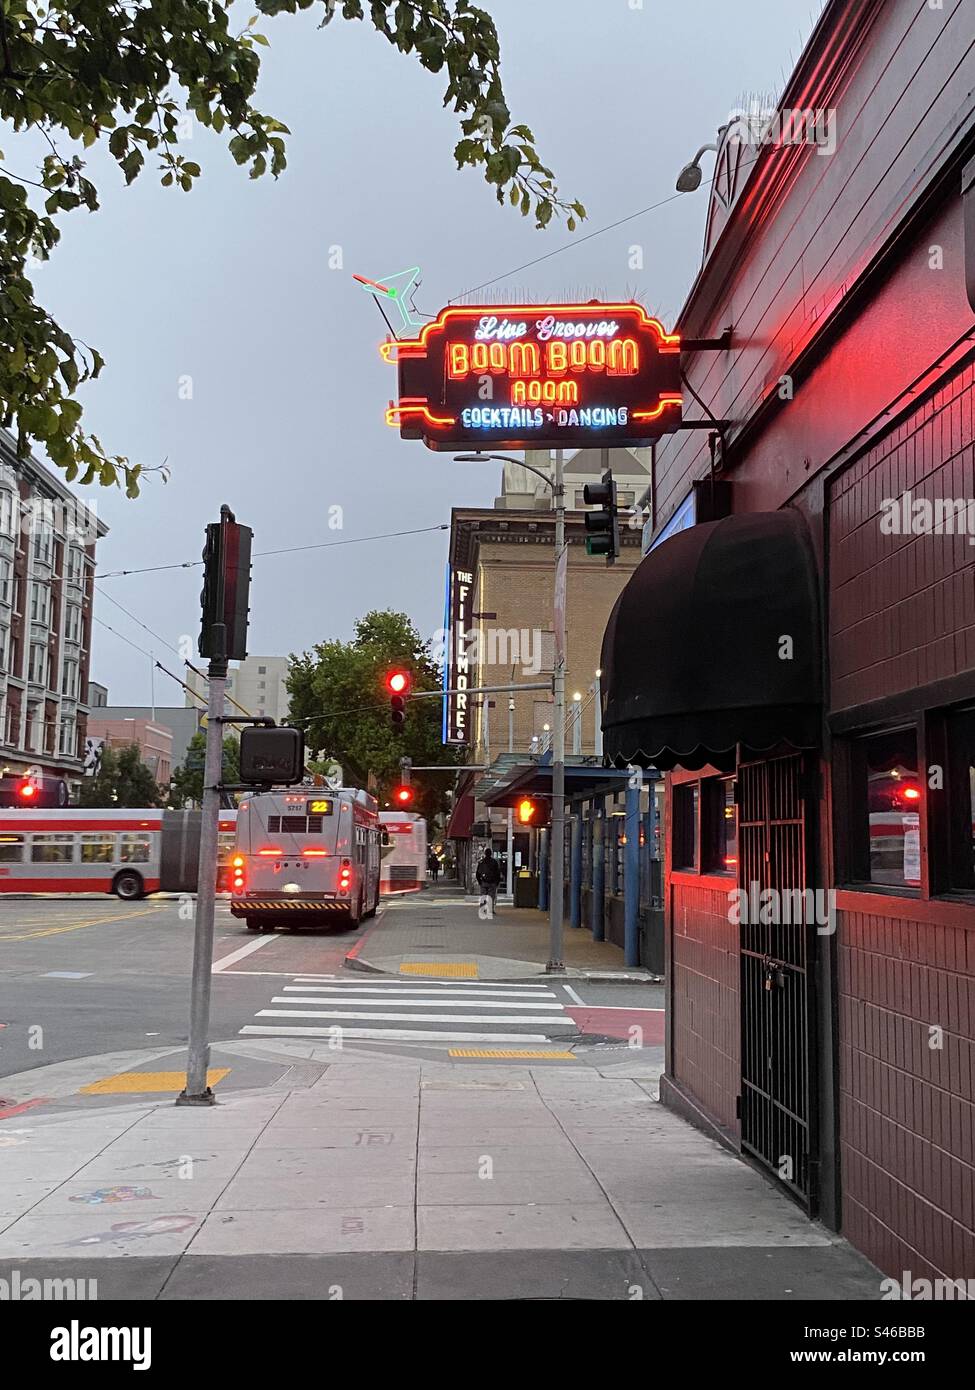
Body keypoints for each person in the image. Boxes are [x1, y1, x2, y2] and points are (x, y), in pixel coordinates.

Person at [475, 847, 502, 918]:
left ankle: (482, 909)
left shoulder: (481, 862)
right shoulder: (494, 862)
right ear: (491, 854)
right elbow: (498, 873)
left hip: (483, 882)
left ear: (485, 853)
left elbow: (477, 873)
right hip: (492, 883)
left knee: (483, 896)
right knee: (491, 897)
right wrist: (497, 882)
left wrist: (479, 881)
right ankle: (490, 910)